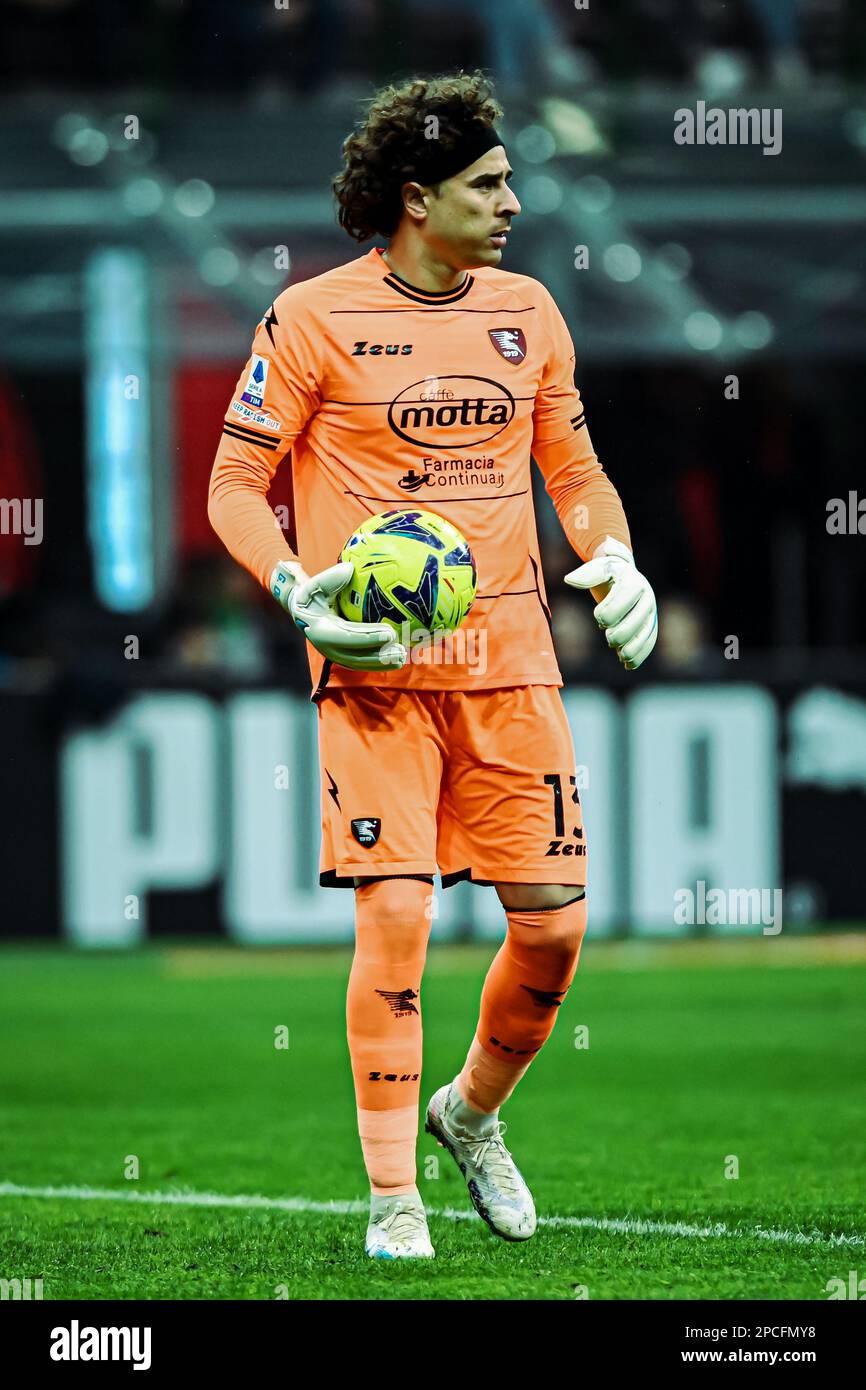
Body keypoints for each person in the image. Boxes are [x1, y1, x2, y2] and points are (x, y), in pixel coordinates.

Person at [208, 70, 658, 1260]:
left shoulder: (529, 312)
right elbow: (232, 485)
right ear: (417, 198)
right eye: (487, 183)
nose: (511, 200)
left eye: (507, 180)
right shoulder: (309, 318)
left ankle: (470, 1114)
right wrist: (301, 592)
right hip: (378, 673)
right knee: (396, 918)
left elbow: (572, 469)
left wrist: (613, 558)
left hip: (510, 664)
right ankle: (390, 1198)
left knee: (554, 933)